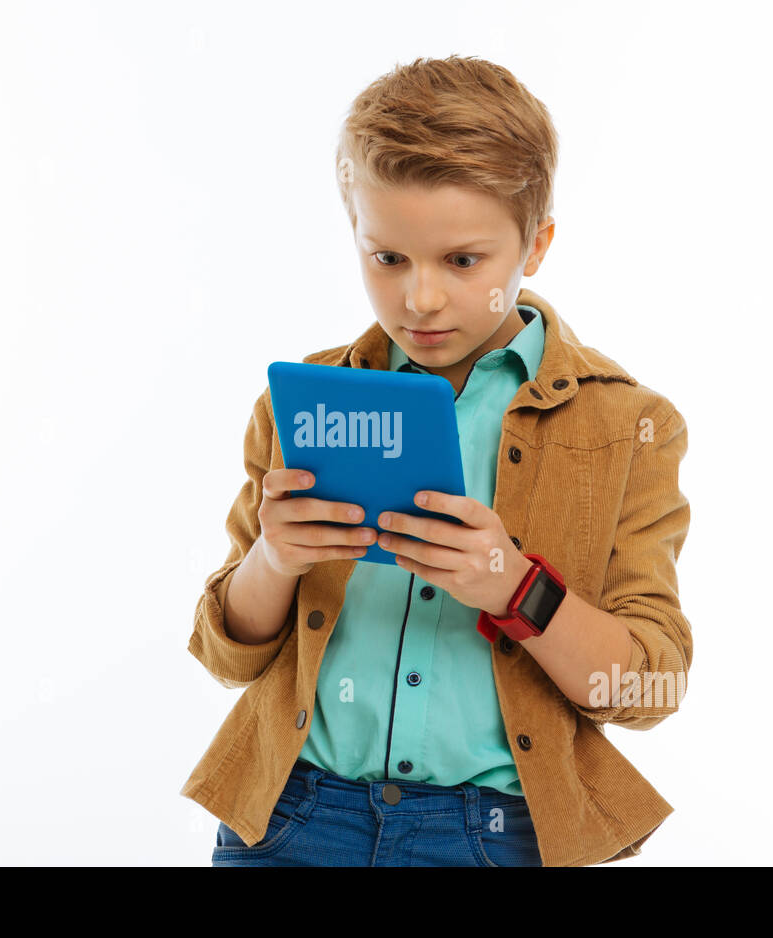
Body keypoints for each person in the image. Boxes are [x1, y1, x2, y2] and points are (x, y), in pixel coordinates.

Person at [182, 55, 693, 867]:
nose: (419, 298)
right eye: (387, 259)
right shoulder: (302, 404)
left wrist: (515, 587)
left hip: (492, 835)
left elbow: (643, 690)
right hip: (291, 816)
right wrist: (274, 560)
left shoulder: (628, 427)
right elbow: (225, 651)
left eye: (462, 262)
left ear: (538, 243)